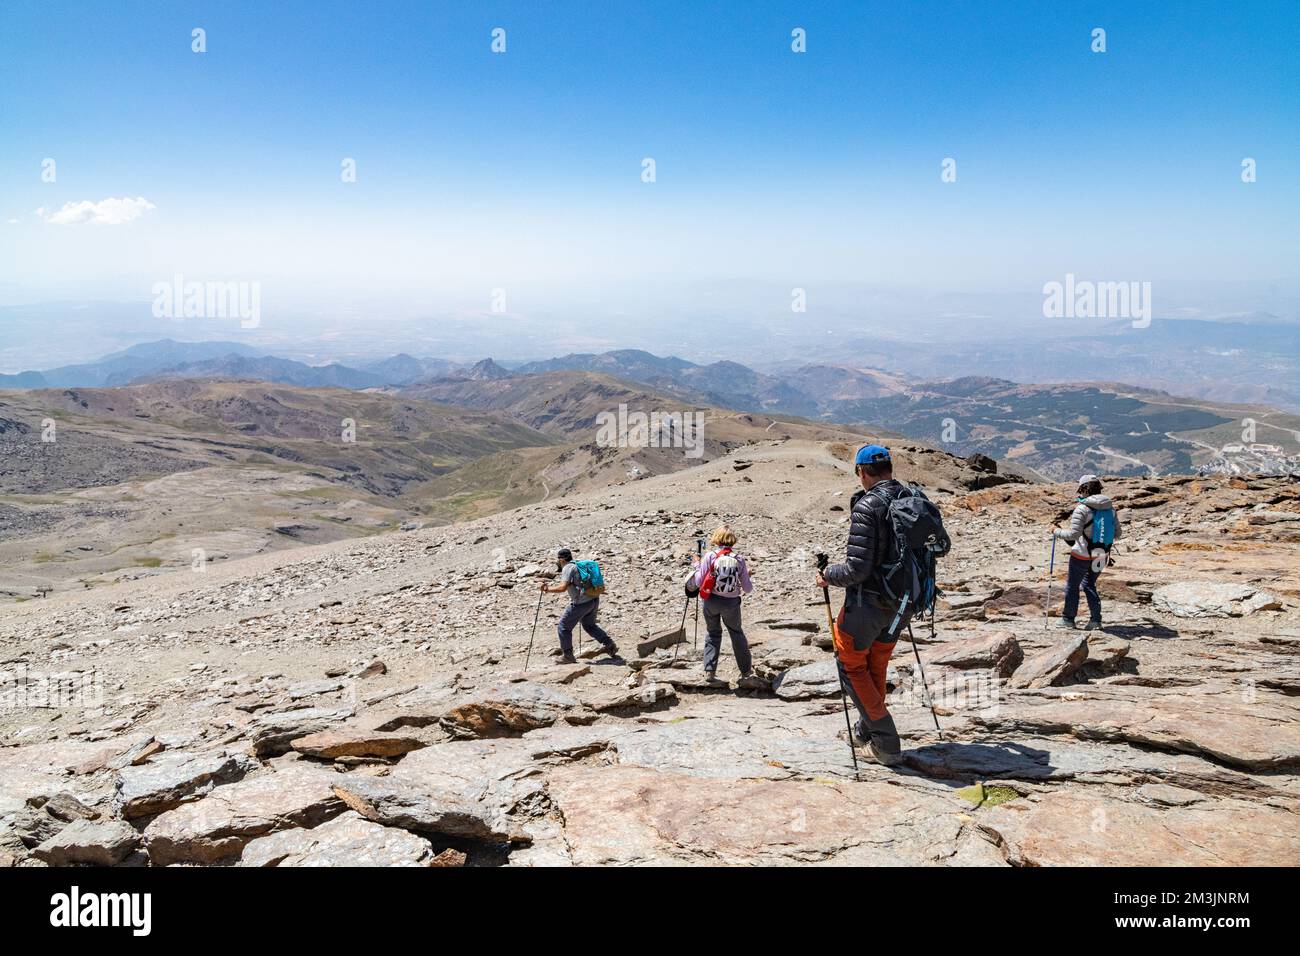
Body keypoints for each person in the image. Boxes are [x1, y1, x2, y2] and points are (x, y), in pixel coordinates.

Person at [814, 443, 908, 767]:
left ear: (862, 472)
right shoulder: (911, 500)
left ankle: (885, 742)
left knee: (850, 666)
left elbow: (857, 570)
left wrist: (827, 575)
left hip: (869, 604)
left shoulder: (869, 506)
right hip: (904, 604)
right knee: (876, 665)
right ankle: (866, 730)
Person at [1053, 475, 1122, 631]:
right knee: (1090, 584)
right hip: (1101, 554)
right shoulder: (1110, 509)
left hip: (1081, 555)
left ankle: (1068, 620)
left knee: (1073, 585)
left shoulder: (1082, 508)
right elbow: (1117, 534)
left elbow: (1073, 535)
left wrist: (1056, 531)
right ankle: (1095, 621)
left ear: (1084, 488)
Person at [687, 525, 754, 680]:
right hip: (731, 603)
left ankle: (710, 671)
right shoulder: (739, 559)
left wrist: (697, 564)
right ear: (733, 540)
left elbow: (698, 581)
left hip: (711, 601)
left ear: (716, 539)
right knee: (736, 633)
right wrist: (746, 575)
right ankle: (745, 672)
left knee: (713, 633)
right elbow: (748, 588)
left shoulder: (710, 556)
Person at [540, 548, 619, 663]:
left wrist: (547, 589)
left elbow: (562, 588)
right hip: (593, 600)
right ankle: (610, 645)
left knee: (563, 627)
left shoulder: (567, 567)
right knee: (589, 625)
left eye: (558, 560)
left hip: (581, 604)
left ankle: (568, 656)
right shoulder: (578, 565)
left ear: (561, 559)